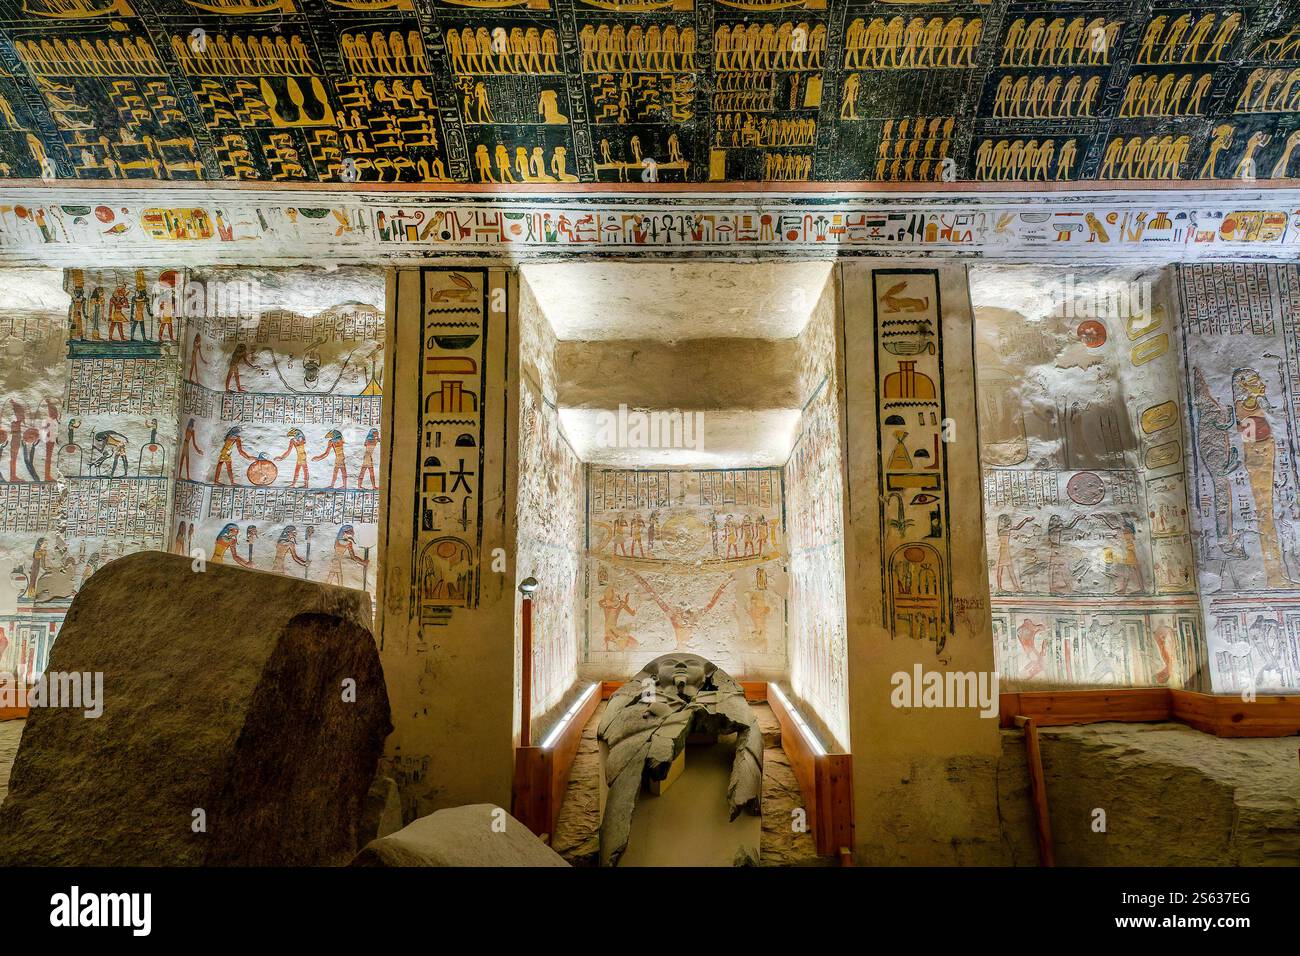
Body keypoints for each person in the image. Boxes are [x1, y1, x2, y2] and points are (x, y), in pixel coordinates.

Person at [597, 653, 762, 867]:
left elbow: (748, 726)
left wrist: (744, 789)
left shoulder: (717, 698)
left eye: (693, 663)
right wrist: (656, 715)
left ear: (705, 678)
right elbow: (611, 725)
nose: (681, 665)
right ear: (656, 677)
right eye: (669, 663)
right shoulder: (648, 693)